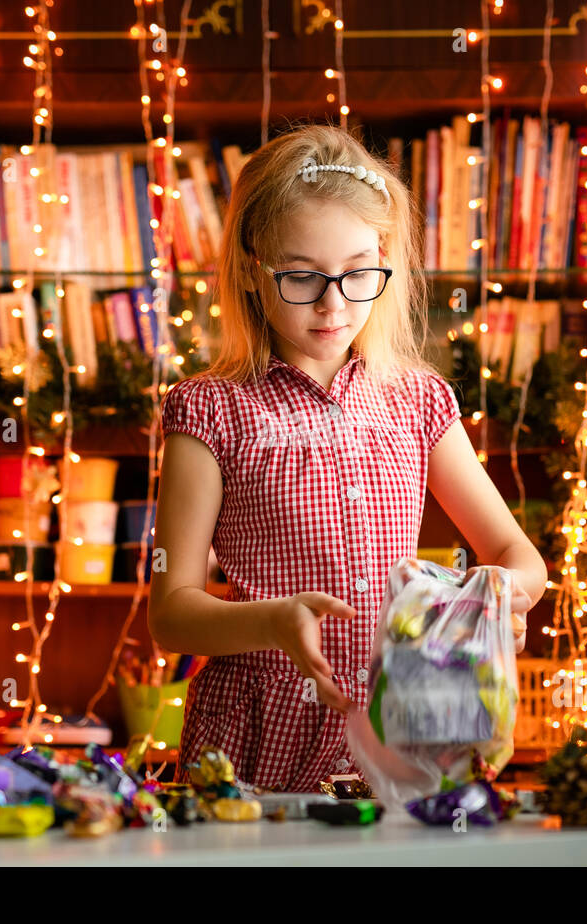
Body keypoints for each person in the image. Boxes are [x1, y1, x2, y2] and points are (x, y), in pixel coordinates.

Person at [148, 124, 548, 792]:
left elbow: (518, 556)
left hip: (404, 736)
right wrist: (273, 623)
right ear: (253, 266)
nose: (334, 304)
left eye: (359, 273)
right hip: (257, 741)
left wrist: (491, 602)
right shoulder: (211, 410)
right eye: (302, 276)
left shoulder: (419, 402)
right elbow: (171, 614)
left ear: (384, 256)